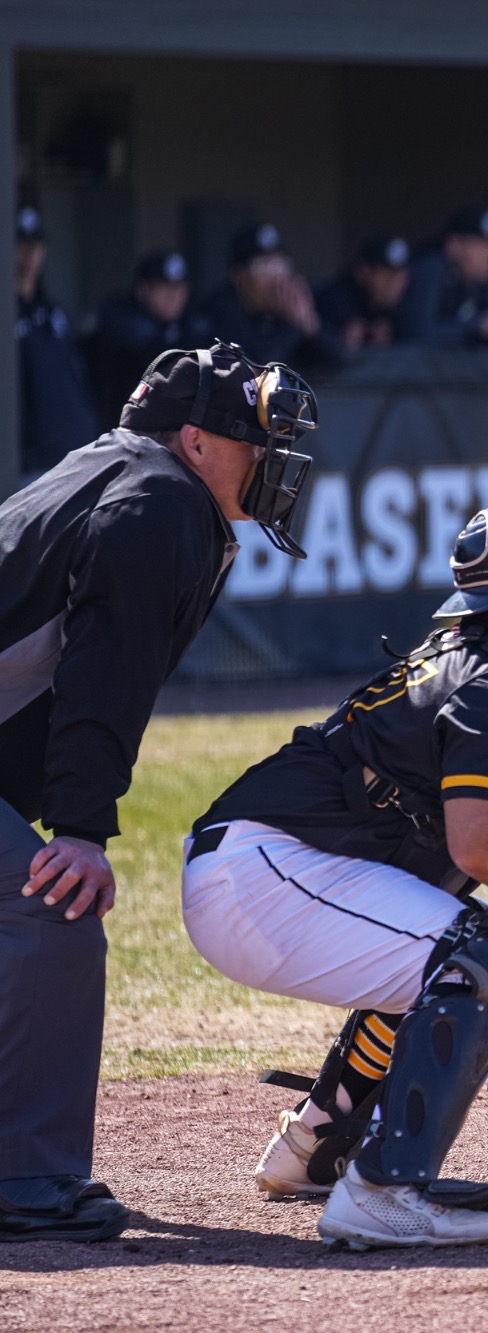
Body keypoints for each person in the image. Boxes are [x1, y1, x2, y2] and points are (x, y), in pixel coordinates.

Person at [180, 495, 488, 1250]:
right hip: (262, 872)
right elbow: (485, 846)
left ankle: (317, 1145)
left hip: (259, 865)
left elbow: (468, 840)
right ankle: (383, 1192)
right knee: (487, 956)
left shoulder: (482, 662)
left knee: (439, 944)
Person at [0, 341, 317, 1243]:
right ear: (195, 439)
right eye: (257, 439)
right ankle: (25, 1179)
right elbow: (103, 670)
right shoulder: (160, 502)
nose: (274, 461)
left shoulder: (115, 470)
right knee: (49, 906)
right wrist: (82, 831)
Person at [83, 250, 210, 432]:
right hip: (121, 431)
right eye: (165, 287)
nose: (174, 296)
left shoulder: (190, 326)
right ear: (143, 290)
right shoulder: (122, 324)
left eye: (179, 287)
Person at [14, 206, 100, 474]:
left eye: (36, 244)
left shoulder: (53, 312)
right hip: (28, 463)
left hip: (72, 454)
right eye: (20, 243)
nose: (30, 253)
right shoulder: (10, 312)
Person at [399, 207, 488, 346]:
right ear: (453, 245)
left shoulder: (483, 275)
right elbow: (417, 336)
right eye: (481, 244)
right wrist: (478, 326)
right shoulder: (429, 270)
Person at [196, 223, 323, 367]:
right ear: (238, 276)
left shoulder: (283, 308)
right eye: (263, 266)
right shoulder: (221, 312)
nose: (274, 277)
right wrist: (293, 324)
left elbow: (340, 358)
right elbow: (256, 367)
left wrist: (311, 324)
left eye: (279, 264)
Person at [315, 234, 410, 360]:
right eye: (387, 275)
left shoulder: (400, 306)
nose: (395, 284)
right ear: (363, 272)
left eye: (401, 275)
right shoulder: (333, 303)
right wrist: (338, 341)